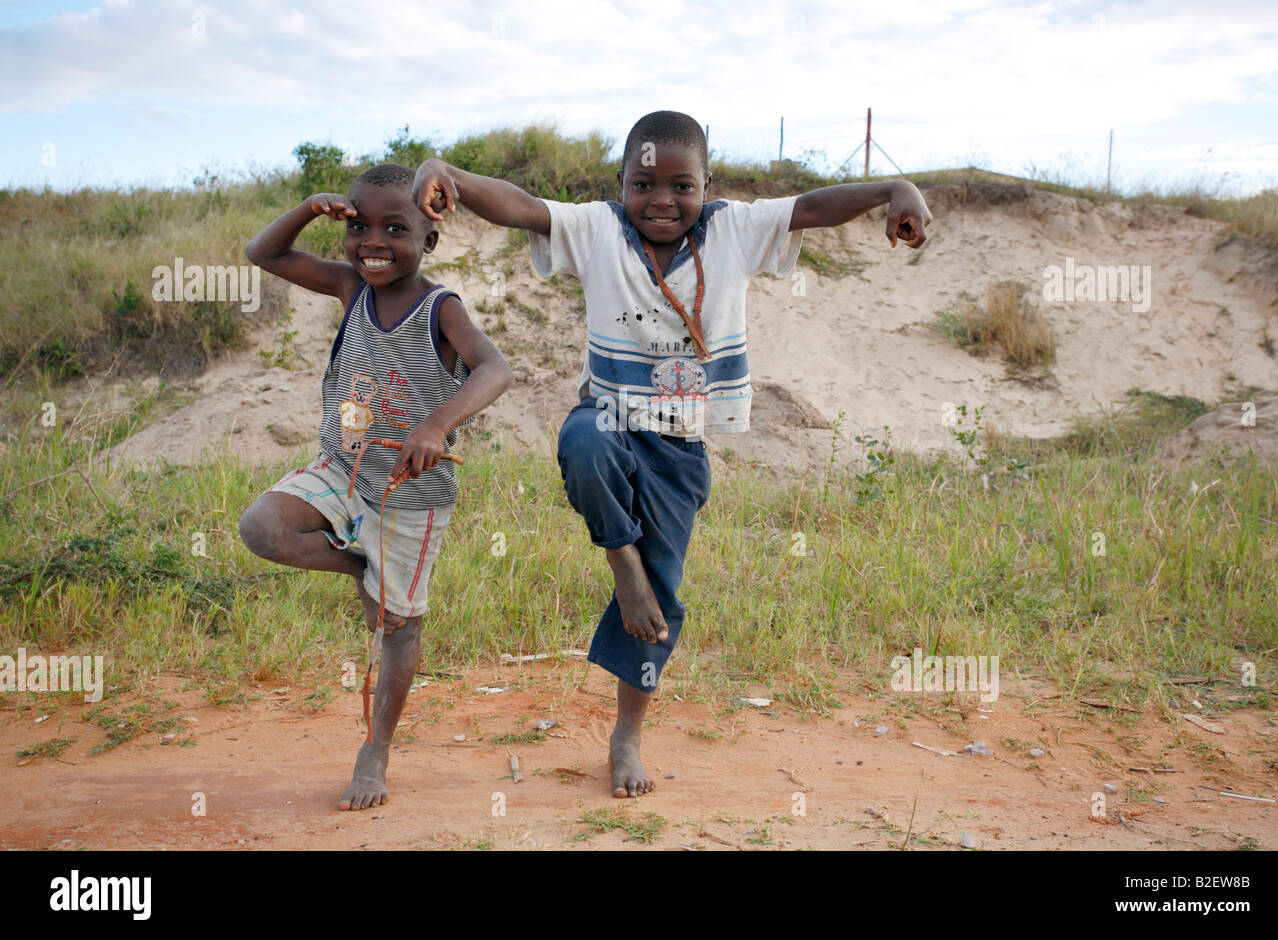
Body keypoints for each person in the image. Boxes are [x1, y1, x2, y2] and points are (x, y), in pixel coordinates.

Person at [412, 111, 931, 797]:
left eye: (681, 185)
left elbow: (811, 208)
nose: (662, 199)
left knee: (664, 601)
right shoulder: (598, 230)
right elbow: (521, 207)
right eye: (643, 183)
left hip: (680, 447)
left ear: (707, 185)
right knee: (582, 441)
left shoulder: (735, 231)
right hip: (609, 418)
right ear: (619, 184)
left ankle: (626, 734)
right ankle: (621, 560)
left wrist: (892, 189)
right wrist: (445, 173)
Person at [238, 162, 512, 810]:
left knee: (398, 629)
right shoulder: (347, 288)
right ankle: (357, 565)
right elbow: (262, 252)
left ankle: (375, 751)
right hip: (342, 468)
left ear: (430, 239)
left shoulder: (439, 307)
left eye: (396, 227)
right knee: (263, 526)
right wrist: (309, 208)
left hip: (410, 496)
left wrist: (437, 424)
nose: (375, 242)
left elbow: (495, 368)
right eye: (361, 226)